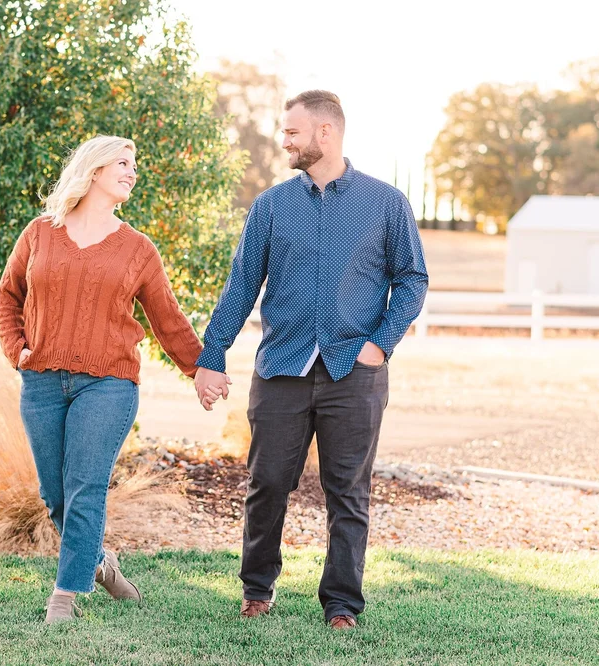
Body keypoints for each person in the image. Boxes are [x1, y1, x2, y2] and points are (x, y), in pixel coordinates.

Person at [194, 90, 429, 629]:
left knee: (348, 492)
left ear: (326, 133)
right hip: (282, 369)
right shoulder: (271, 206)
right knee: (267, 483)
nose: (284, 142)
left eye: (292, 132)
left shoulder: (386, 203)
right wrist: (213, 356)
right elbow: (241, 287)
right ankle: (258, 588)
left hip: (355, 371)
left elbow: (412, 278)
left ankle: (342, 603)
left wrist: (381, 342)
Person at [0, 135, 205, 624]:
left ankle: (64, 598)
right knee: (55, 496)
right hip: (42, 381)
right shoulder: (40, 233)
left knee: (85, 486)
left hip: (109, 383)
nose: (133, 172)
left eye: (135, 165)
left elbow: (166, 318)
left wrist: (201, 368)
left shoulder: (138, 249)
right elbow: (8, 297)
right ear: (93, 171)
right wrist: (17, 349)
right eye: (123, 163)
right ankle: (101, 565)